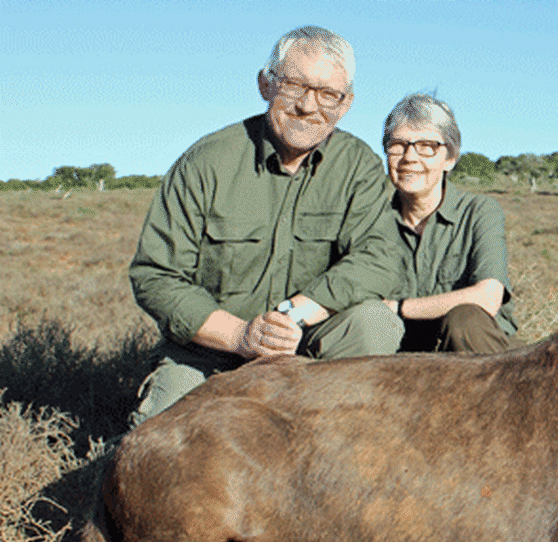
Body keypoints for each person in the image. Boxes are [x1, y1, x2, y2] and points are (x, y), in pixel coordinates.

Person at [128, 26, 403, 424]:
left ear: (346, 104)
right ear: (265, 84)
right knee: (160, 440)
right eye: (294, 86)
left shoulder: (358, 166)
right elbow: (155, 275)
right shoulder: (206, 162)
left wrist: (292, 316)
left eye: (328, 94)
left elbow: (379, 258)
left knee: (375, 323)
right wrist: (241, 336)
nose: (308, 106)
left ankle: (336, 433)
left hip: (308, 350)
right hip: (212, 354)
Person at [381, 93, 519, 353]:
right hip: (404, 361)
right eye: (398, 145)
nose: (409, 157)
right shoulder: (371, 220)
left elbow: (487, 297)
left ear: (450, 159)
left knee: (466, 320)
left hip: (481, 357)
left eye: (427, 146)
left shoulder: (479, 212)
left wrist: (398, 308)